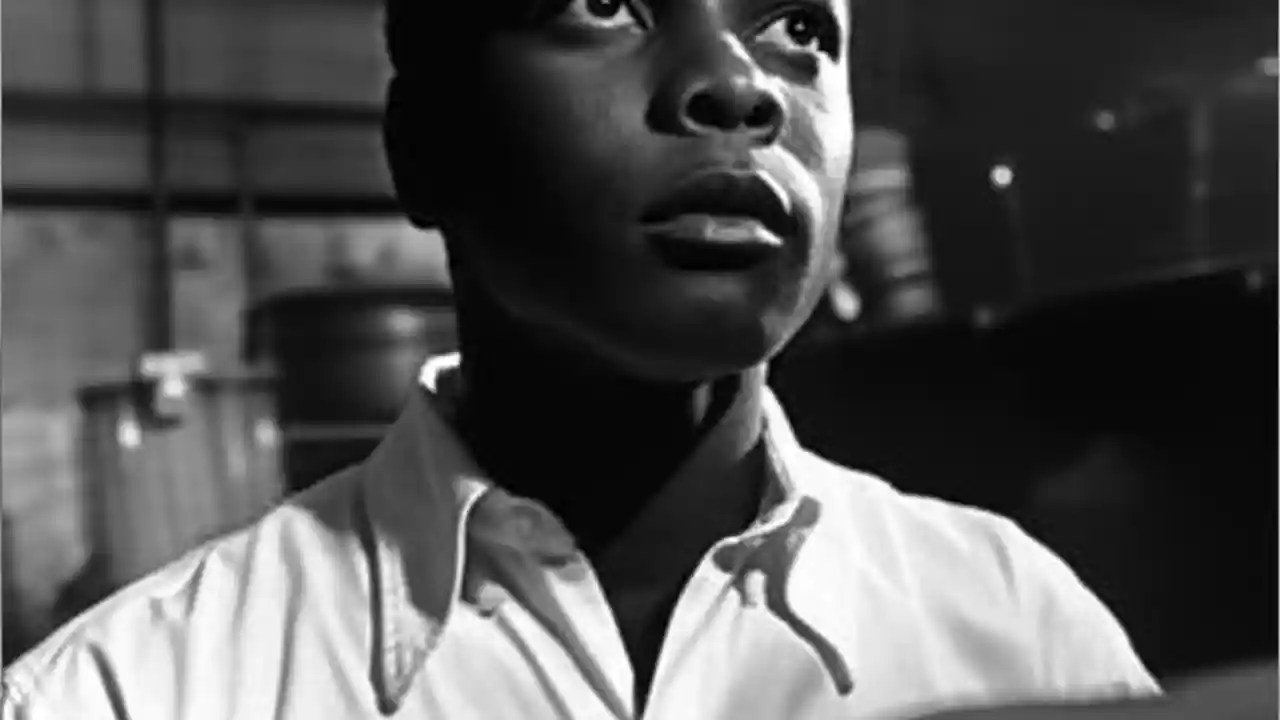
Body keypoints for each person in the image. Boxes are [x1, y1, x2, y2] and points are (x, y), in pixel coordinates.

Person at [1, 0, 1196, 717]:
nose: (735, 85)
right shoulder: (133, 692)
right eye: (600, 2)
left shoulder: (1013, 628)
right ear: (420, 149)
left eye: (796, 30)